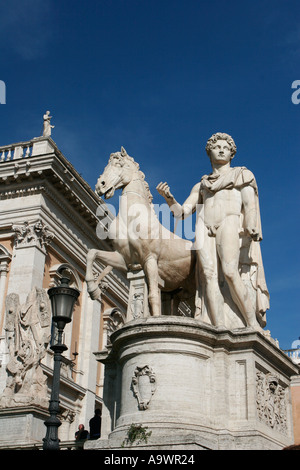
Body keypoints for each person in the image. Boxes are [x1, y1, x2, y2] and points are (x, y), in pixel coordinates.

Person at [157, 132, 269, 330]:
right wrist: (169, 199)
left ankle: (252, 324)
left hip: (229, 221)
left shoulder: (242, 174)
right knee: (208, 276)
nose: (221, 149)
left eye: (226, 147)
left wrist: (252, 223)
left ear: (232, 153)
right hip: (204, 225)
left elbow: (249, 203)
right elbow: (181, 213)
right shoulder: (201, 185)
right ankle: (219, 328)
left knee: (229, 271)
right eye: (217, 147)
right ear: (209, 153)